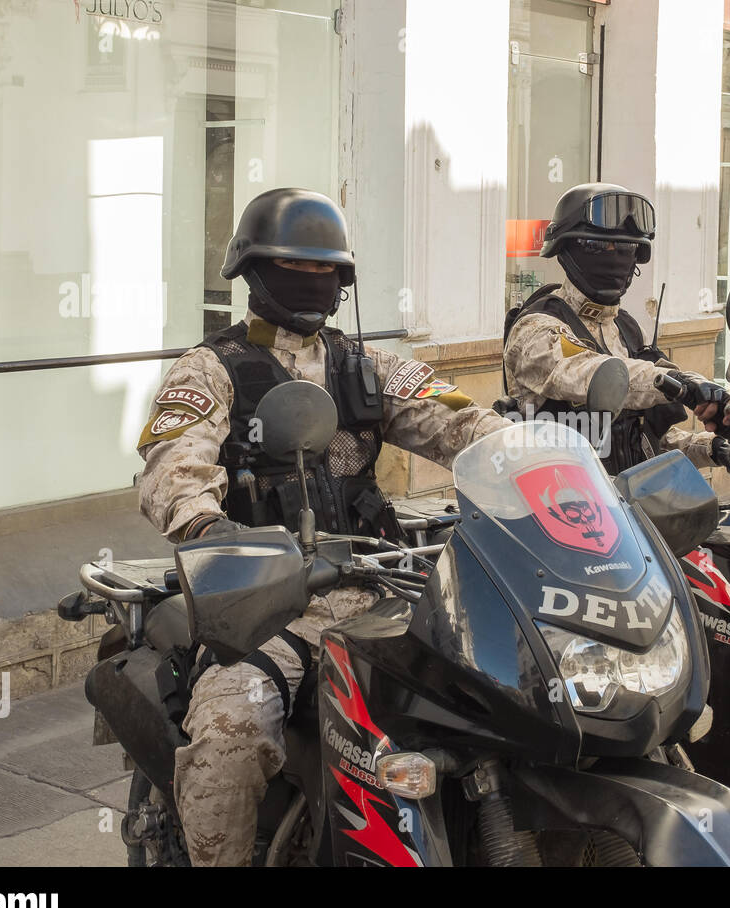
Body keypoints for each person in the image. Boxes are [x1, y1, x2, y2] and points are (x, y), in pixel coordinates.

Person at [135, 187, 509, 866]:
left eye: (324, 271)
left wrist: (532, 459)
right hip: (269, 605)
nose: (312, 283)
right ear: (251, 272)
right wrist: (209, 530)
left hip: (381, 589)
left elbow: (463, 420)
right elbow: (173, 468)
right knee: (232, 731)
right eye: (292, 268)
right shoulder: (209, 370)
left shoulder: (371, 368)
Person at [501, 182, 730, 477]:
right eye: (600, 247)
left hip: (627, 510)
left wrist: (716, 447)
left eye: (627, 247)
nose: (615, 256)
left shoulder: (627, 329)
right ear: (566, 251)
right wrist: (676, 384)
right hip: (559, 505)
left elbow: (644, 441)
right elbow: (592, 372)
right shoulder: (535, 329)